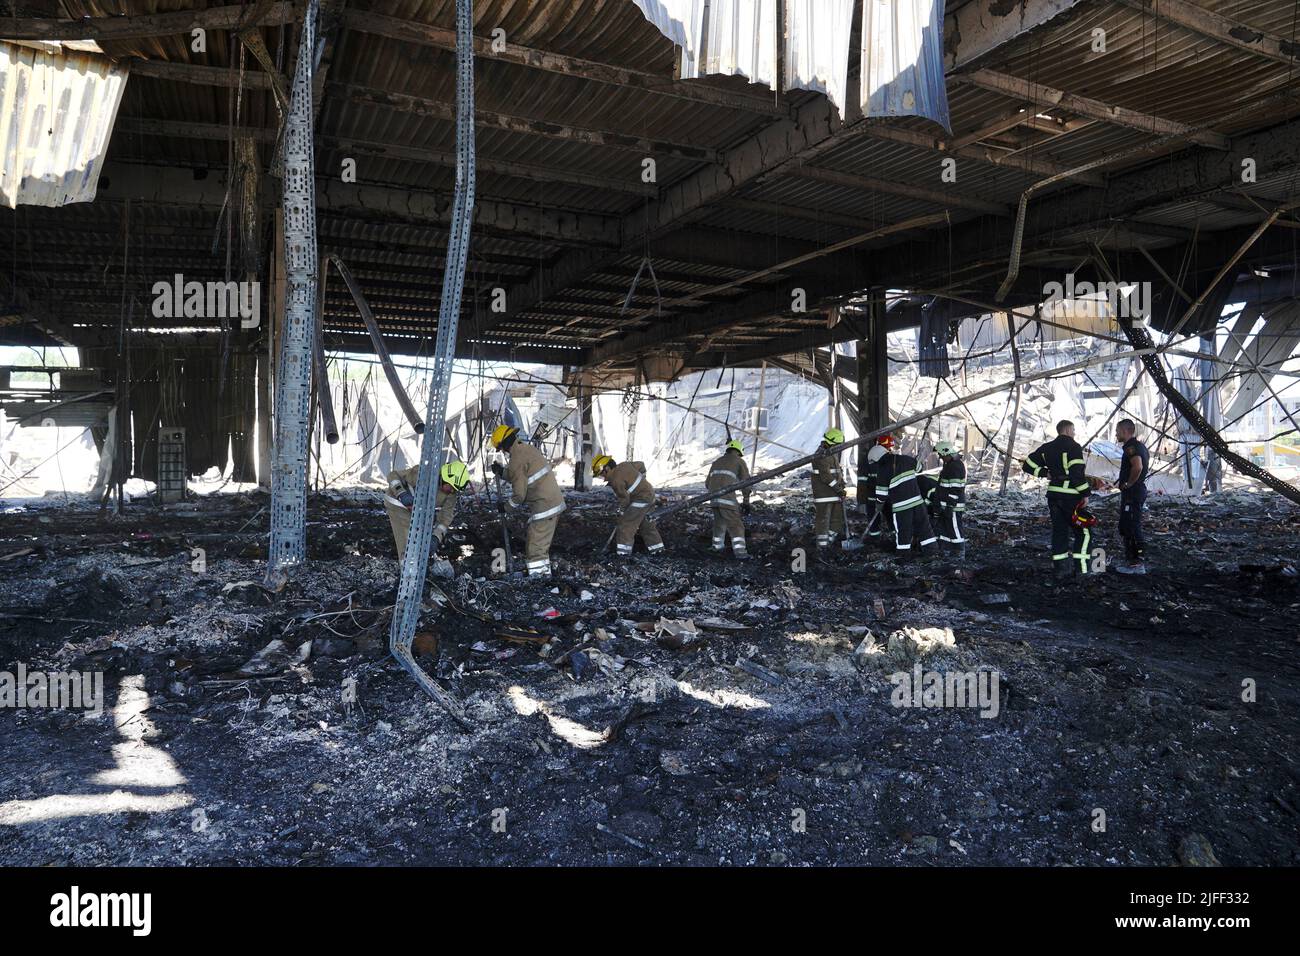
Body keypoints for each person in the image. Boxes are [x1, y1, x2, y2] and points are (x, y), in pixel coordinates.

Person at [490, 424, 564, 578]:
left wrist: (505, 508)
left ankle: (539, 580)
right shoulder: (526, 450)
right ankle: (542, 577)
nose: (502, 451)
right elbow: (519, 476)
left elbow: (519, 495)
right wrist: (502, 472)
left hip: (545, 506)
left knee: (535, 548)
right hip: (550, 502)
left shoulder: (516, 459)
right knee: (539, 545)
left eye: (501, 448)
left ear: (503, 445)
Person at [1022, 420, 1094, 579]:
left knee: (1059, 532)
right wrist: (1086, 493)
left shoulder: (1047, 447)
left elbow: (1027, 465)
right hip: (1070, 497)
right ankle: (1082, 570)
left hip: (1053, 495)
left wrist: (1044, 473)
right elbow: (1076, 474)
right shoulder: (1073, 446)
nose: (1074, 434)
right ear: (1068, 429)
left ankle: (1061, 570)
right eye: (1073, 430)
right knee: (1084, 531)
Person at [384, 459, 471, 557]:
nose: (451, 491)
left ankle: (418, 562)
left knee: (420, 537)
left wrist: (436, 537)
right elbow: (393, 476)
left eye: (455, 489)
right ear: (444, 478)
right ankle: (407, 565)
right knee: (408, 540)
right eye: (450, 487)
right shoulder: (423, 473)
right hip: (397, 503)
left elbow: (445, 519)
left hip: (417, 509)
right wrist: (401, 493)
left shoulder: (451, 494)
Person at [869, 441, 937, 556]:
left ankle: (903, 556)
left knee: (903, 531)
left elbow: (881, 494)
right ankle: (932, 552)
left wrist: (879, 505)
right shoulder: (905, 459)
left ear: (877, 458)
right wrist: (913, 462)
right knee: (924, 528)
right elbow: (919, 468)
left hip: (902, 507)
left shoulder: (882, 469)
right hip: (918, 503)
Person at [594, 454, 665, 557]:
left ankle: (623, 555)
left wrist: (621, 512)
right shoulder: (625, 465)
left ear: (607, 468)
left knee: (625, 525)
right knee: (646, 525)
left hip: (640, 500)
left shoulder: (615, 481)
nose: (603, 477)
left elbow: (625, 500)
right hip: (650, 494)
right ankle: (658, 550)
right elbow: (641, 465)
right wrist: (643, 480)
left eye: (601, 474)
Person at [1114, 418, 1149, 574]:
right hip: (1133, 492)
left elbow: (1138, 466)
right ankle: (1131, 560)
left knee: (1132, 526)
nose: (1116, 434)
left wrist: (1129, 483)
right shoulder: (1137, 446)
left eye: (1118, 431)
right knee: (1126, 525)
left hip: (1133, 492)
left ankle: (1137, 563)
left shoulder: (1131, 447)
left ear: (1125, 431)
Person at [706, 439, 751, 559]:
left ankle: (717, 547)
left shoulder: (716, 462)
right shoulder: (739, 461)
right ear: (739, 451)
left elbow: (707, 483)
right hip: (727, 499)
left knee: (719, 524)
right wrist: (746, 501)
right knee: (736, 525)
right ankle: (740, 553)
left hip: (714, 499)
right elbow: (746, 482)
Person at [922, 439, 967, 555]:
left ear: (947, 453)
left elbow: (956, 488)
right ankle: (947, 550)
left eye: (941, 455)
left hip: (953, 506)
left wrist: (950, 506)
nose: (940, 458)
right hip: (946, 505)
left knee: (954, 528)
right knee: (946, 529)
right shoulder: (949, 465)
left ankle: (959, 552)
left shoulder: (956, 466)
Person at [811, 427, 848, 549]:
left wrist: (841, 483)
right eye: (838, 445)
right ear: (832, 443)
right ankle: (822, 547)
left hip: (834, 494)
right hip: (824, 495)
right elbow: (826, 477)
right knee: (823, 520)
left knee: (836, 519)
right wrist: (839, 489)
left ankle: (831, 542)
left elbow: (836, 471)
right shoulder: (821, 455)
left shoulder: (831, 453)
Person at [862, 434, 894, 545]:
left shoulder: (871, 454)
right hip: (884, 494)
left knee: (873, 516)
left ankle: (875, 538)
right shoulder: (886, 457)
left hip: (872, 493)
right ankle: (894, 535)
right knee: (890, 514)